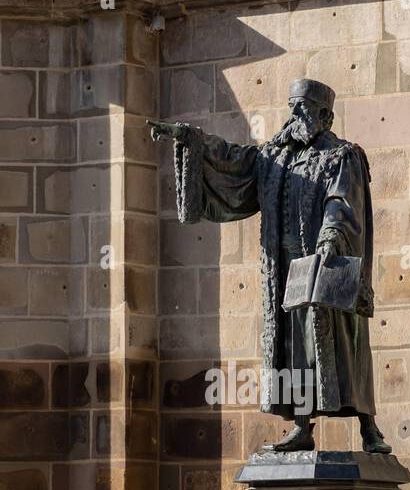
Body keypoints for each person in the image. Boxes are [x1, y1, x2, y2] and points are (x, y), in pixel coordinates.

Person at [149, 78, 390, 454]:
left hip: (326, 262)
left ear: (325, 115)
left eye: (304, 107)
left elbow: (342, 203)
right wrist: (191, 139)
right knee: (292, 346)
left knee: (345, 348)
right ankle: (301, 425)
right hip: (283, 270)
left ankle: (369, 429)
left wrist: (331, 237)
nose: (295, 114)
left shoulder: (342, 156)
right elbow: (231, 161)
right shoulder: (274, 158)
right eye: (293, 105)